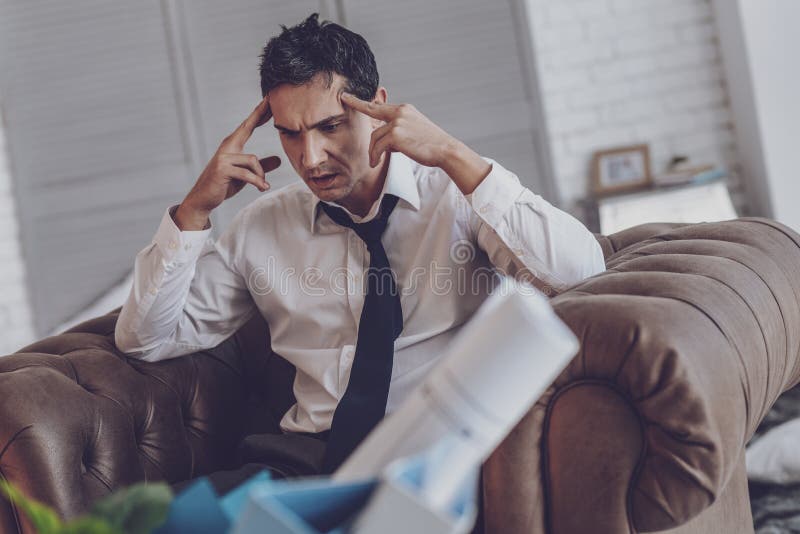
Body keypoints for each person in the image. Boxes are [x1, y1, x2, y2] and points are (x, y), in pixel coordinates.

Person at [114, 13, 605, 494]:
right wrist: (194, 210)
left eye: (331, 125)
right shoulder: (262, 227)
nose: (309, 158)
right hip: (305, 461)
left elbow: (580, 274)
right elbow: (145, 339)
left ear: (379, 106)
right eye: (289, 133)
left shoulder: (458, 193)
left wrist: (456, 156)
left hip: (431, 460)